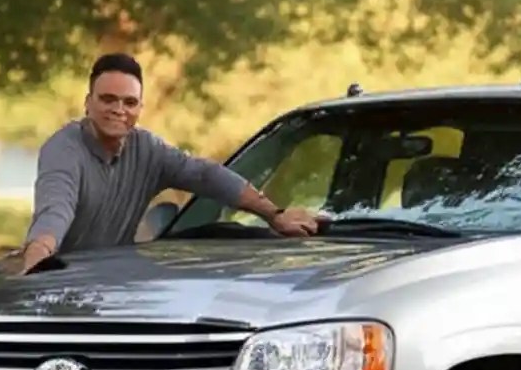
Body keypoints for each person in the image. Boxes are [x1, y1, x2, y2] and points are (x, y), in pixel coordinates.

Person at [18, 53, 321, 272]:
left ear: (140, 108)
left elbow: (206, 175)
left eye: (129, 102)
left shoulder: (148, 149)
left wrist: (275, 215)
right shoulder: (63, 148)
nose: (118, 109)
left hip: (112, 284)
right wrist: (37, 260)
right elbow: (54, 210)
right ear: (88, 102)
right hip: (60, 278)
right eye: (108, 99)